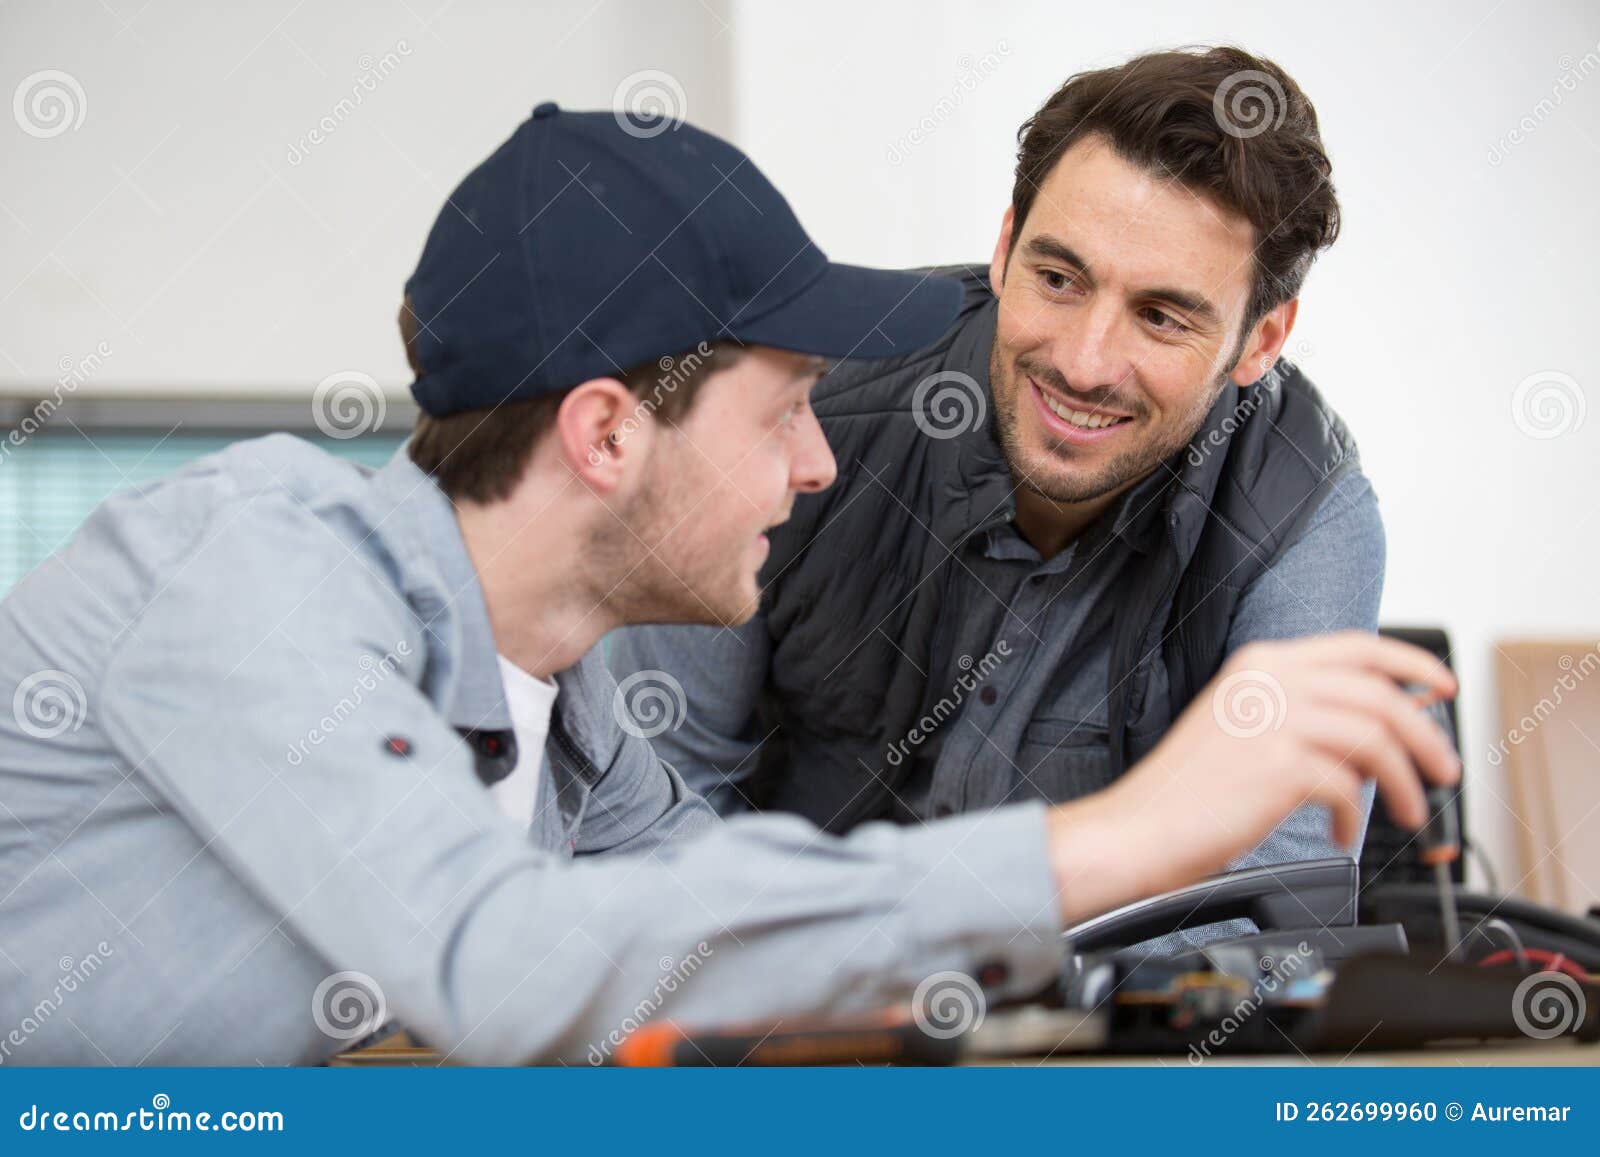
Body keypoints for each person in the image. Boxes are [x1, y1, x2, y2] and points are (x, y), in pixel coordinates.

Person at [0, 102, 1457, 1066]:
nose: (823, 466)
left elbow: (708, 941)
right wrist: (1129, 833)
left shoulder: (578, 734)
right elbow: (495, 962)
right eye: (785, 412)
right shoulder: (256, 562)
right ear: (610, 432)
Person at [610, 49, 1385, 922]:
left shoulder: (1302, 517)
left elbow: (1270, 926)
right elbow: (638, 829)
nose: (1084, 363)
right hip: (774, 1036)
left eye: (1162, 317)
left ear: (1261, 339)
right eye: (1057, 278)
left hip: (1097, 1053)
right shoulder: (795, 406)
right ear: (1005, 245)